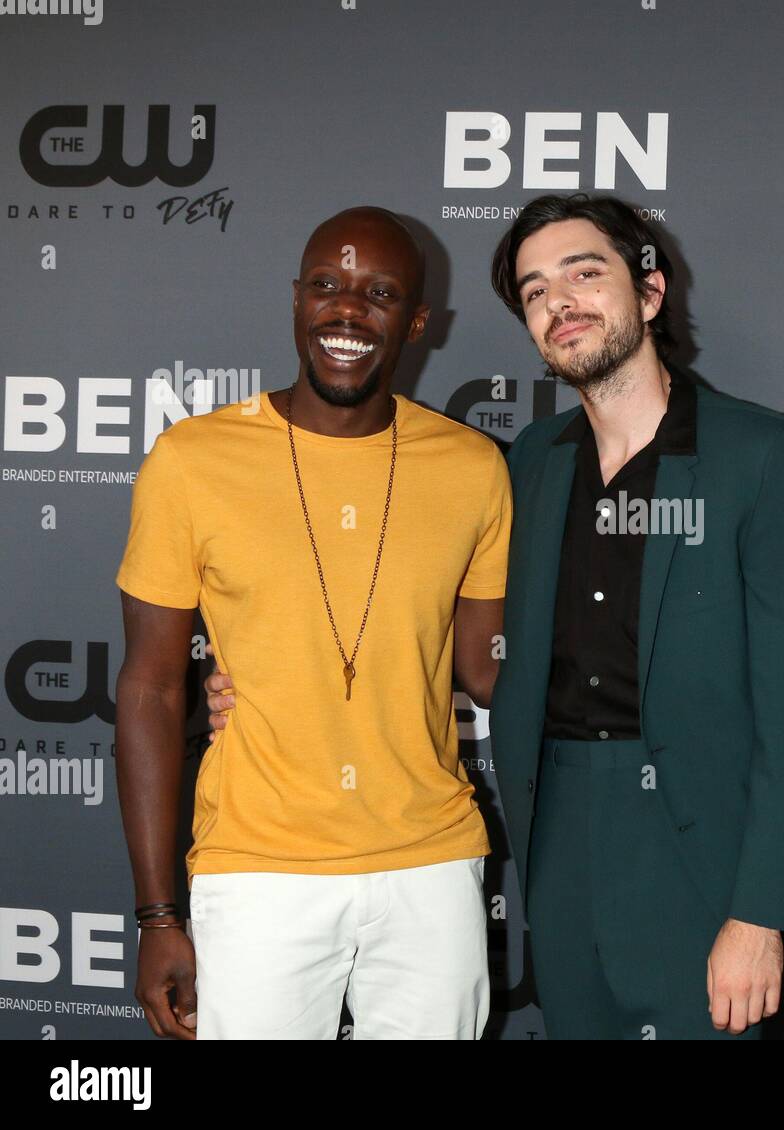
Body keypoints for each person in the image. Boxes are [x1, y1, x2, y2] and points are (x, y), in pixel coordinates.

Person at [115, 206, 510, 1040]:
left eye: (379, 292)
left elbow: (488, 667)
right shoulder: (191, 460)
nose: (346, 309)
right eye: (326, 285)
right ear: (296, 300)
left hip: (430, 864)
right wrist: (157, 917)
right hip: (259, 870)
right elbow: (150, 687)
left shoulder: (474, 468)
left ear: (416, 321)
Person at [486, 193, 784, 1039]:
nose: (559, 302)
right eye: (536, 291)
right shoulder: (530, 465)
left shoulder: (763, 457)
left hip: (701, 849)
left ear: (650, 292)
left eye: (584, 273)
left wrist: (761, 913)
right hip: (559, 839)